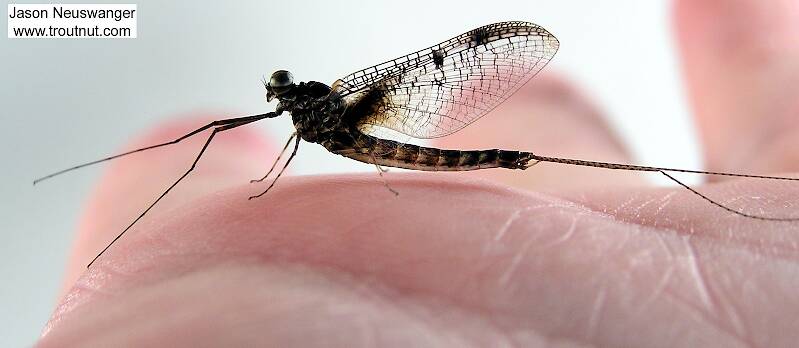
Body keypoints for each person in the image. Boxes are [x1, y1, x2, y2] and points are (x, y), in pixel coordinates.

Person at [38, 0, 799, 346]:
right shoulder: (313, 115)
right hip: (377, 153)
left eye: (279, 93)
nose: (275, 100)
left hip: (404, 152)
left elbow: (325, 143)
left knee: (513, 155)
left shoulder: (328, 110)